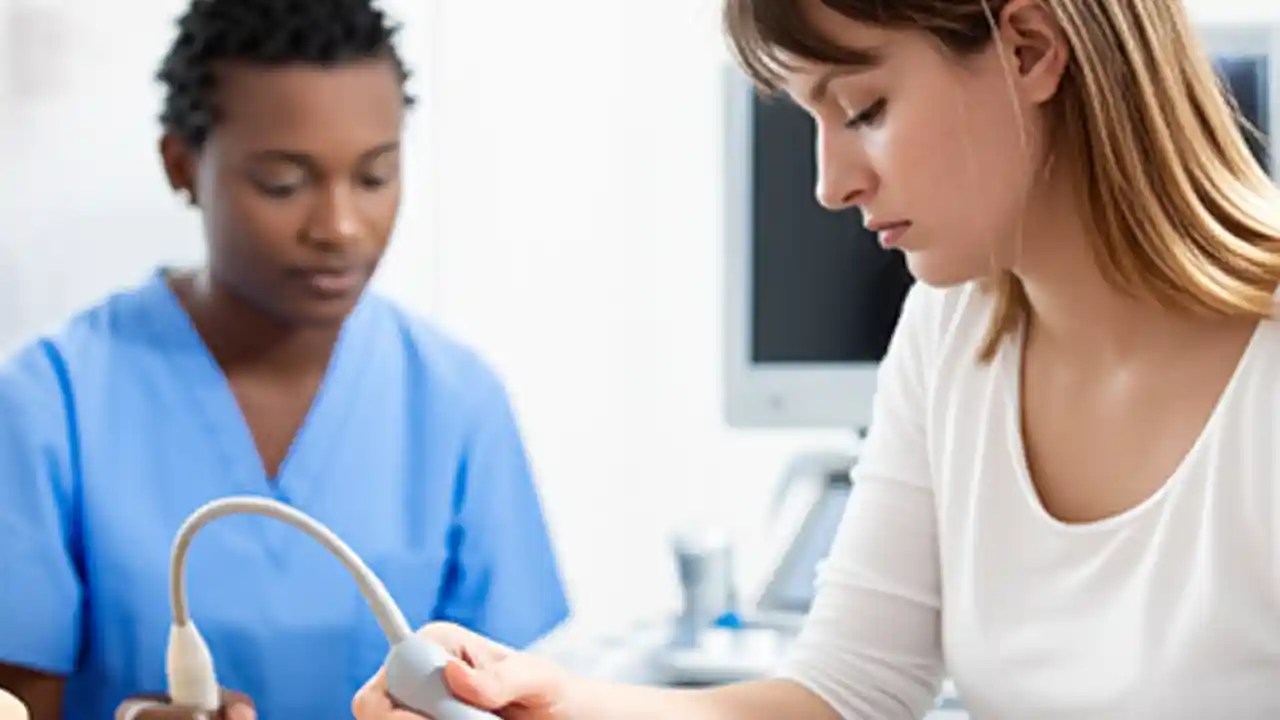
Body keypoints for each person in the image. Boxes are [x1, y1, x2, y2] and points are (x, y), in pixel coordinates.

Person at [353, 0, 1280, 718]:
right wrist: (558, 701)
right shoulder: (949, 336)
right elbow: (846, 692)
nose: (832, 185)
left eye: (864, 110)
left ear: (1030, 49)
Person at [0, 1, 570, 718]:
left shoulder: (455, 402)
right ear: (182, 164)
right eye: (282, 183)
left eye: (373, 177)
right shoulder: (51, 402)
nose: (338, 227)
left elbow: (506, 698)